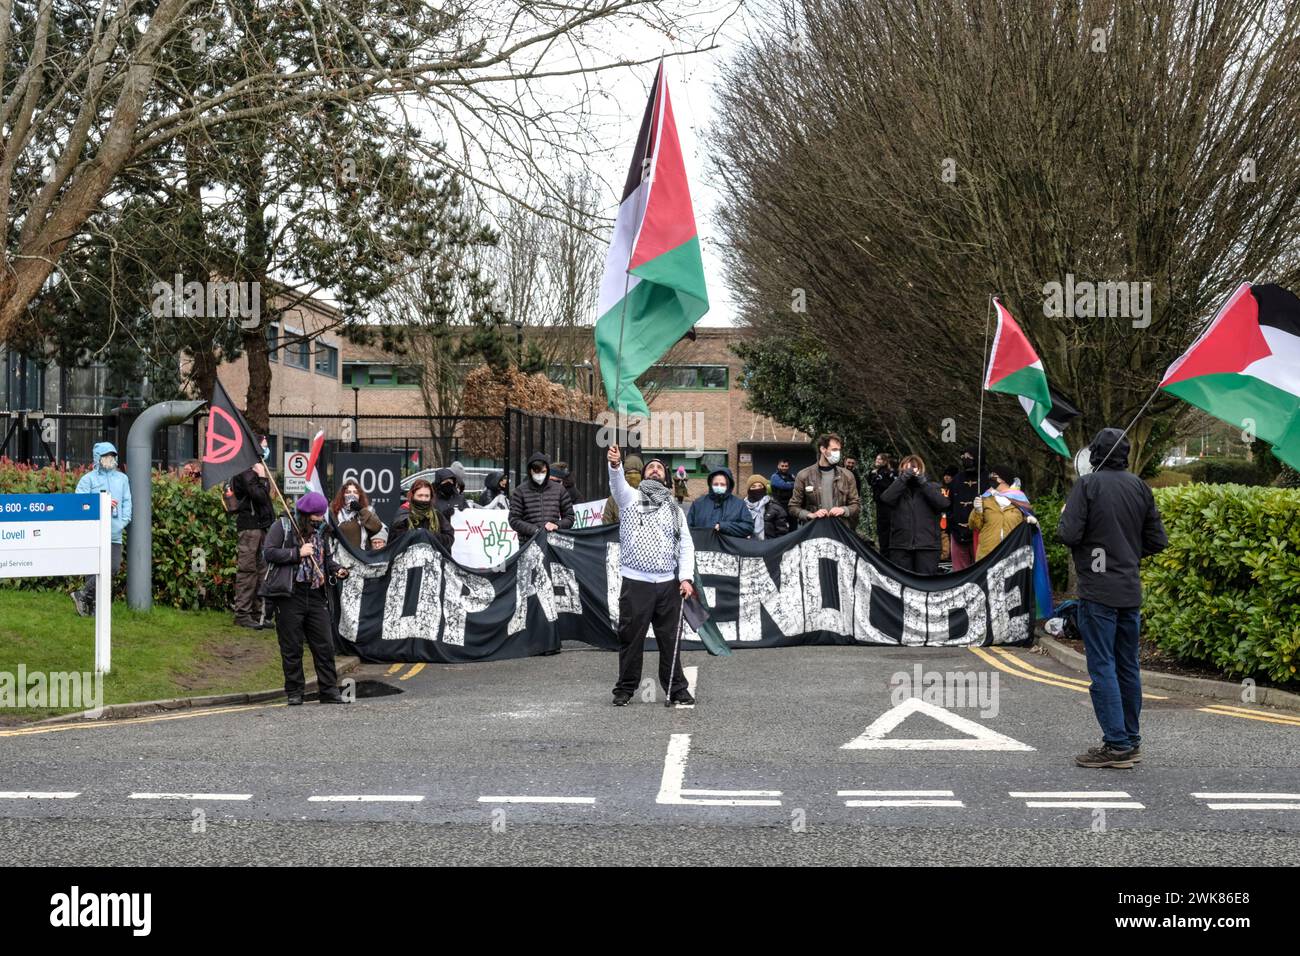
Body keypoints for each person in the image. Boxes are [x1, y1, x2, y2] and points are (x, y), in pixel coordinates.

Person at [1057, 427, 1168, 769]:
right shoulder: (1139, 486)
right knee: (1128, 665)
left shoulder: (1087, 485)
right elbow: (1158, 540)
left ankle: (1116, 744)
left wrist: (1067, 515)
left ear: (1095, 455)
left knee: (1102, 665)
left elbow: (1068, 533)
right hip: (1128, 590)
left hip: (1098, 591)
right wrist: (1128, 556)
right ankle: (1130, 739)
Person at [605, 445, 696, 707]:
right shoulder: (629, 498)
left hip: (668, 583)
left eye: (659, 468)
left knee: (670, 640)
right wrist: (615, 465)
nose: (655, 470)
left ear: (666, 478)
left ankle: (676, 687)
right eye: (650, 467)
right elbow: (616, 482)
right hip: (637, 583)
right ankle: (625, 688)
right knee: (631, 638)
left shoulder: (676, 511)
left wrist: (686, 578)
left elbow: (686, 545)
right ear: (644, 476)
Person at [261, 492, 349, 705]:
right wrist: (296, 553)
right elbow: (268, 553)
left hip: (316, 594)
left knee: (325, 645)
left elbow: (325, 559)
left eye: (321, 516)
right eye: (314, 517)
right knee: (291, 646)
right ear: (304, 514)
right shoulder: (283, 526)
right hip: (290, 594)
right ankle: (294, 692)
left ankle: (329, 690)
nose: (318, 521)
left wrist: (337, 569)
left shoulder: (322, 532)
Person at [71, 442, 132, 617]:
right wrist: (101, 502)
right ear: (98, 458)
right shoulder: (88, 479)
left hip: (114, 533)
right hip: (93, 531)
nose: (109, 459)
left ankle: (82, 595)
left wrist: (123, 521)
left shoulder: (122, 479)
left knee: (112, 567)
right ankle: (93, 608)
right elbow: (79, 503)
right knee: (93, 569)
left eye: (112, 456)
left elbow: (127, 501)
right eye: (105, 456)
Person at [879, 454, 949, 574]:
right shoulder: (897, 489)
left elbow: (943, 504)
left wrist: (923, 482)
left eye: (913, 468)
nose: (910, 471)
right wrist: (903, 478)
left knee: (926, 585)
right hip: (901, 546)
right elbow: (885, 499)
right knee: (904, 585)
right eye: (907, 469)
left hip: (927, 547)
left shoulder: (933, 487)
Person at [231, 460, 275, 628]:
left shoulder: (251, 469)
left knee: (260, 571)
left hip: (260, 526)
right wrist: (263, 477)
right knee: (248, 571)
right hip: (250, 527)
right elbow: (260, 496)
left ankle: (257, 614)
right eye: (263, 444)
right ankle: (242, 613)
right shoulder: (245, 470)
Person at [788, 434, 861, 528]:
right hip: (814, 530)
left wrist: (844, 510)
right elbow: (793, 507)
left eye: (839, 450)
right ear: (823, 449)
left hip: (840, 530)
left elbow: (856, 505)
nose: (838, 453)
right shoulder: (804, 475)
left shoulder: (847, 475)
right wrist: (811, 515)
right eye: (834, 450)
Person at [968, 464, 1035, 562]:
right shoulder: (985, 498)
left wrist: (1031, 521)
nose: (991, 477)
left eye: (994, 475)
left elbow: (1029, 531)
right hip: (987, 555)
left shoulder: (1021, 500)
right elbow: (974, 526)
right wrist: (977, 511)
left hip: (1012, 555)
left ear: (1004, 479)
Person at [509, 452, 574, 543]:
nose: (539, 475)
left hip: (553, 542)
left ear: (547, 470)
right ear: (530, 471)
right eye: (536, 471)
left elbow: (569, 517)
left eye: (543, 471)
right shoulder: (520, 491)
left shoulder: (559, 489)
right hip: (529, 542)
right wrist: (534, 530)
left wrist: (556, 525)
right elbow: (514, 520)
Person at [686, 467, 753, 537]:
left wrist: (724, 526)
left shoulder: (739, 504)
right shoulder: (698, 504)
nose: (719, 487)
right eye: (715, 484)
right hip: (703, 546)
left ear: (728, 486)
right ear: (710, 484)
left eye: (722, 484)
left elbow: (748, 527)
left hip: (728, 547)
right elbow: (688, 529)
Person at [949, 446, 985, 571]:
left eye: (969, 456)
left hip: (980, 532)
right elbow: (950, 504)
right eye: (963, 456)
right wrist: (952, 522)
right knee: (959, 572)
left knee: (980, 569)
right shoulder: (957, 479)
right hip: (957, 532)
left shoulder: (986, 480)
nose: (965, 459)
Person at [390, 479, 454, 549]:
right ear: (413, 496)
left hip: (433, 557)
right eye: (420, 495)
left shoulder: (437, 515)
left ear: (431, 497)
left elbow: (449, 537)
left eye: (427, 496)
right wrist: (417, 535)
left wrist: (430, 536)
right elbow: (395, 540)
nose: (423, 499)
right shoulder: (403, 514)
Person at [330, 479, 388, 553]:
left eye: (355, 492)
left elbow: (377, 527)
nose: (352, 495)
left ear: (359, 495)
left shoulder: (366, 510)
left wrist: (361, 509)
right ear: (342, 495)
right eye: (348, 492)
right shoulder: (334, 511)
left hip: (360, 556)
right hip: (339, 555)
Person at [743, 476, 790, 540]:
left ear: (765, 488)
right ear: (749, 490)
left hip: (769, 546)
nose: (757, 489)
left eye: (760, 486)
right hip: (746, 546)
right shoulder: (741, 508)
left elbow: (782, 533)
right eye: (753, 487)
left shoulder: (775, 508)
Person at [866, 453, 897, 551]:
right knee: (881, 528)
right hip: (879, 504)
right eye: (876, 459)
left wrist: (878, 477)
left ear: (884, 461)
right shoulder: (874, 472)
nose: (877, 461)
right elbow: (870, 482)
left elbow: (889, 486)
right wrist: (874, 475)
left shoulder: (890, 472)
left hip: (888, 504)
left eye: (879, 459)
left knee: (887, 528)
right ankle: (883, 549)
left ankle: (888, 550)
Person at [602, 454, 643, 524]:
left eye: (636, 473)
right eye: (629, 473)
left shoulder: (613, 499)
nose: (633, 476)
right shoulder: (613, 500)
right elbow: (607, 525)